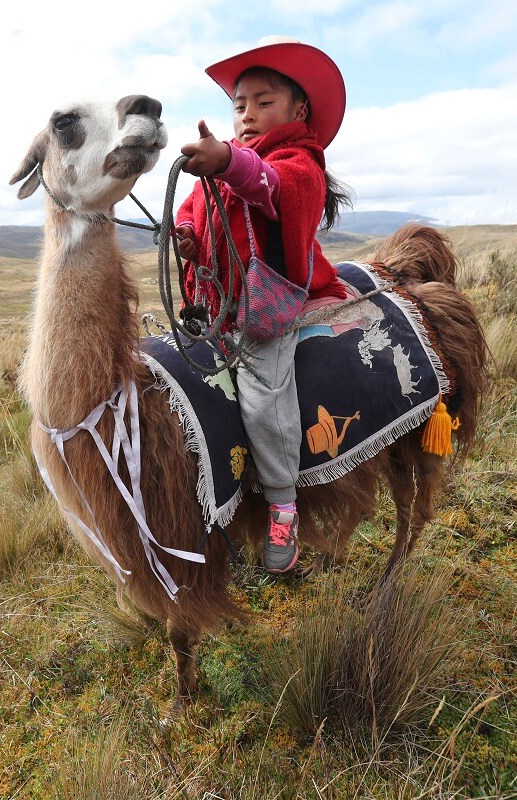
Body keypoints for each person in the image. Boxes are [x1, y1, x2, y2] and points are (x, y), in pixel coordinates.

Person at [175, 36, 351, 574]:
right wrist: (185, 234)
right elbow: (192, 208)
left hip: (267, 309)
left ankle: (281, 505)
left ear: (298, 110)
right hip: (223, 304)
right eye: (239, 105)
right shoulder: (224, 168)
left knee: (262, 394)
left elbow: (275, 188)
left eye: (263, 102)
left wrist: (227, 161)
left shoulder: (298, 161)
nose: (247, 114)